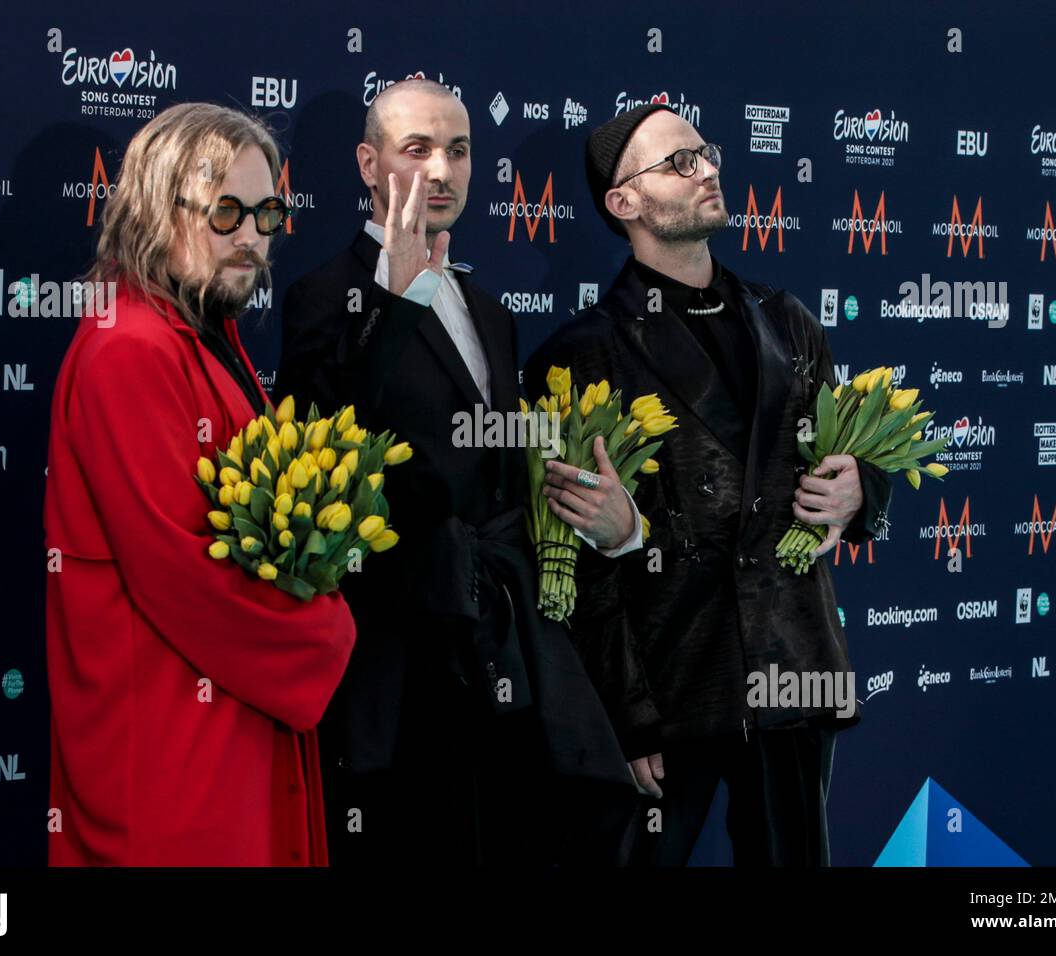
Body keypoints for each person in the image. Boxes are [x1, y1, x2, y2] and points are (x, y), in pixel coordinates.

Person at [274, 79, 639, 865]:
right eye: (418, 150)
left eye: (459, 150)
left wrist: (602, 516)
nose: (442, 170)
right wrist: (394, 302)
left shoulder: (492, 312)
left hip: (500, 652)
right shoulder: (321, 296)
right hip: (399, 671)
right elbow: (314, 456)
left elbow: (498, 478)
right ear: (368, 165)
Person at [523, 103, 894, 866]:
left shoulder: (787, 320)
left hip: (791, 669)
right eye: (680, 163)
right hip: (669, 682)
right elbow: (575, 553)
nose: (709, 171)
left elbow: (850, 451)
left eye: (708, 153)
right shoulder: (581, 353)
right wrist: (624, 711)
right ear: (624, 200)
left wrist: (862, 489)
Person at [45, 103, 355, 866]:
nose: (251, 237)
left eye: (267, 214)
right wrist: (326, 630)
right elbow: (183, 574)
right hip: (171, 753)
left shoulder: (201, 331)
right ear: (158, 210)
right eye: (225, 213)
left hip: (223, 729)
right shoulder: (133, 349)